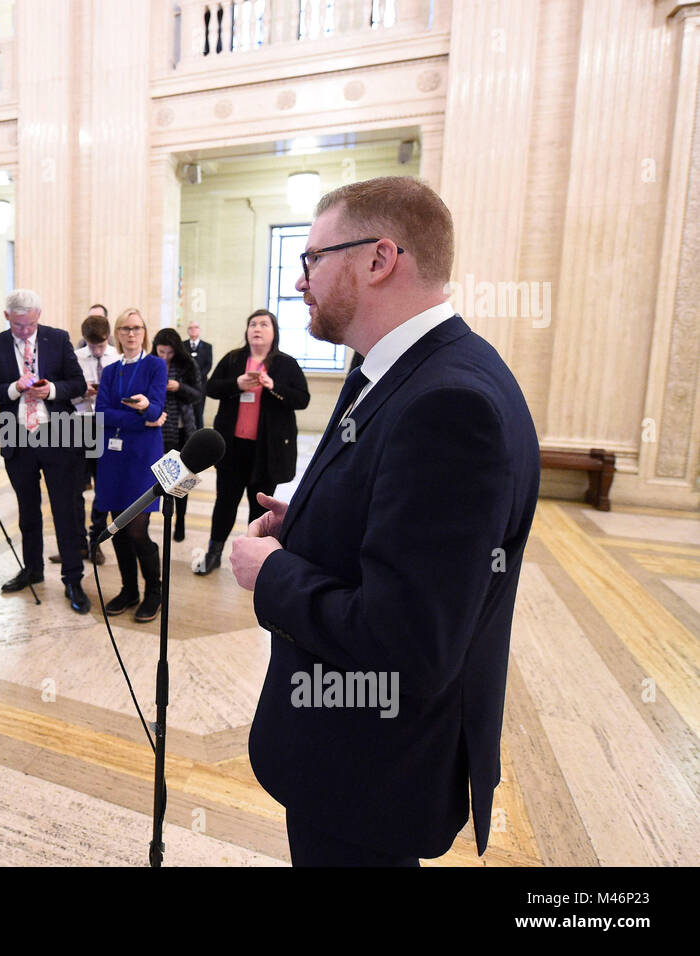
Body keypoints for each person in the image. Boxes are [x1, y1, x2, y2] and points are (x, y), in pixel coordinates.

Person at [229, 176, 541, 866]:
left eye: (311, 258)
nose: (299, 280)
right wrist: (306, 521)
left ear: (379, 259)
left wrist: (273, 572)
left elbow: (408, 643)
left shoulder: (448, 403)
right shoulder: (404, 369)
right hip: (351, 755)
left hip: (368, 770)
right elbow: (392, 517)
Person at [0, 289, 90, 614]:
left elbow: (78, 384)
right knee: (28, 511)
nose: (24, 331)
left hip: (58, 436)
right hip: (17, 439)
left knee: (65, 511)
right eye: (18, 325)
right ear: (7, 317)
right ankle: (32, 569)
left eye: (29, 325)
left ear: (38, 316)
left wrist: (51, 389)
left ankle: (72, 578)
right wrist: (14, 388)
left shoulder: (58, 338)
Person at [197, 309, 309, 574]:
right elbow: (211, 388)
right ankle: (214, 552)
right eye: (252, 324)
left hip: (266, 451)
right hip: (232, 448)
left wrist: (273, 387)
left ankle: (255, 560)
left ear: (274, 332)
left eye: (263, 324)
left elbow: (302, 399)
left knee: (259, 509)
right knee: (225, 502)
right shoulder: (234, 358)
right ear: (247, 331)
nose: (257, 328)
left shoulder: (285, 363)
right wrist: (237, 384)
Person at [93, 308, 168, 622]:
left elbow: (156, 412)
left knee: (138, 530)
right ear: (117, 334)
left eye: (137, 328)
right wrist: (140, 416)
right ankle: (128, 589)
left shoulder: (156, 366)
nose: (131, 334)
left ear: (144, 332)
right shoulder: (110, 371)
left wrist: (146, 414)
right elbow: (101, 415)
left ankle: (154, 591)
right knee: (118, 529)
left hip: (142, 458)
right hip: (112, 458)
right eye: (125, 329)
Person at [68, 314, 118, 563]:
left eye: (100, 345)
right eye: (91, 345)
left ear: (107, 337)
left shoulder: (117, 358)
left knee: (103, 487)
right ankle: (76, 544)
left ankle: (95, 540)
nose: (96, 351)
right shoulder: (75, 359)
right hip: (80, 424)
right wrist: (81, 392)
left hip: (105, 427)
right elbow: (65, 397)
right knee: (74, 487)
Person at [151, 327, 203, 543]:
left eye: (169, 353)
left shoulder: (187, 365)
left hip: (182, 429)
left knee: (182, 479)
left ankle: (180, 520)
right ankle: (164, 515)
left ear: (176, 351)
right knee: (160, 479)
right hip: (156, 427)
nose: (164, 357)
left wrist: (178, 387)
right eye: (161, 352)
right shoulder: (150, 364)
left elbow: (198, 394)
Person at [184, 319, 213, 427]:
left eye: (195, 327)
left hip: (201, 385)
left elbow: (208, 365)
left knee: (199, 412)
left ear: (199, 330)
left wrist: (197, 377)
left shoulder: (207, 346)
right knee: (187, 411)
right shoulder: (183, 345)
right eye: (190, 328)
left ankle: (199, 436)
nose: (193, 330)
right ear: (188, 331)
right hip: (186, 384)